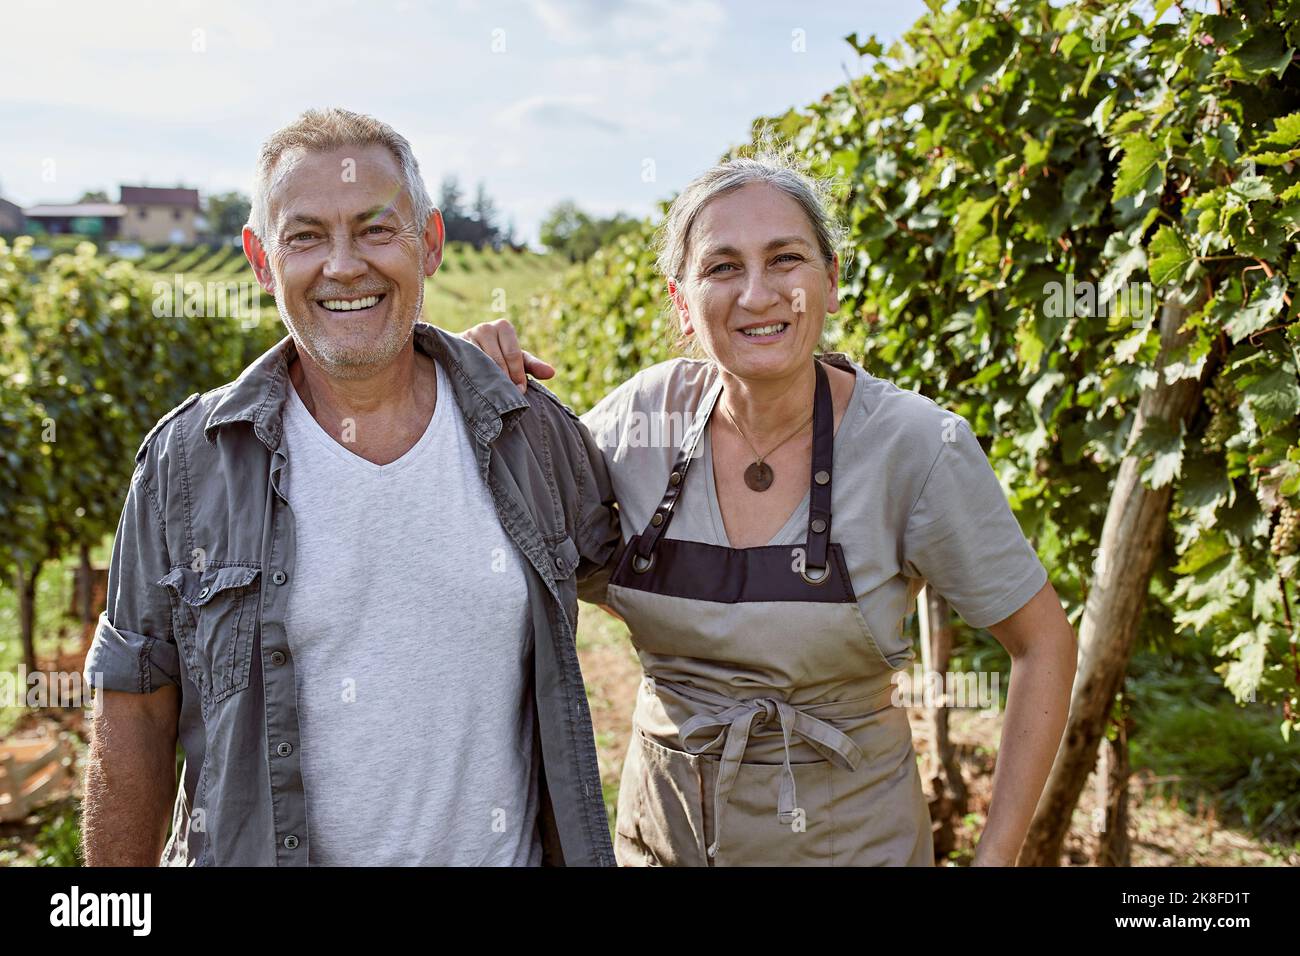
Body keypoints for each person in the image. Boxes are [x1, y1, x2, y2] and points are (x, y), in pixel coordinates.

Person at [464, 151, 1078, 866]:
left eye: (785, 258)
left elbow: (1044, 643)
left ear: (833, 282)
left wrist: (995, 858)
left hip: (853, 846)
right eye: (722, 267)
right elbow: (516, 540)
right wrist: (475, 384)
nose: (758, 293)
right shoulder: (640, 420)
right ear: (682, 304)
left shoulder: (915, 445)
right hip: (663, 841)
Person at [80, 108, 621, 866]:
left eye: (375, 229)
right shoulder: (185, 464)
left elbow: (659, 585)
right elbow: (133, 711)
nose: (343, 265)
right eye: (305, 236)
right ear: (262, 261)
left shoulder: (529, 431)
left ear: (428, 244)